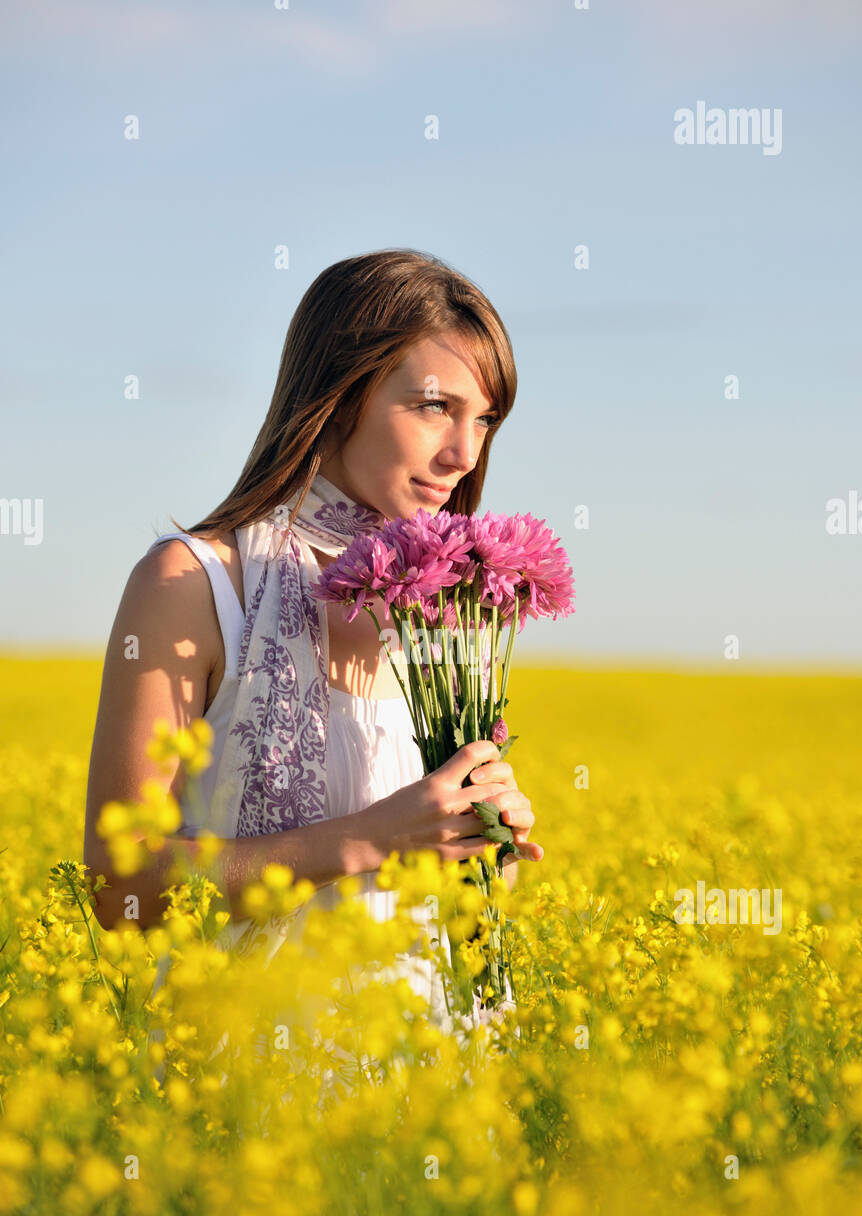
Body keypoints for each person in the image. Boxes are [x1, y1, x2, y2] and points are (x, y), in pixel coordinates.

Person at [83, 248, 542, 1030]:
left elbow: (436, 904)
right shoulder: (194, 583)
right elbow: (122, 891)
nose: (465, 454)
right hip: (243, 1092)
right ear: (340, 392)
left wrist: (482, 839)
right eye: (435, 407)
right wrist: (371, 838)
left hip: (425, 1094)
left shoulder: (452, 608)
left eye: (485, 419)